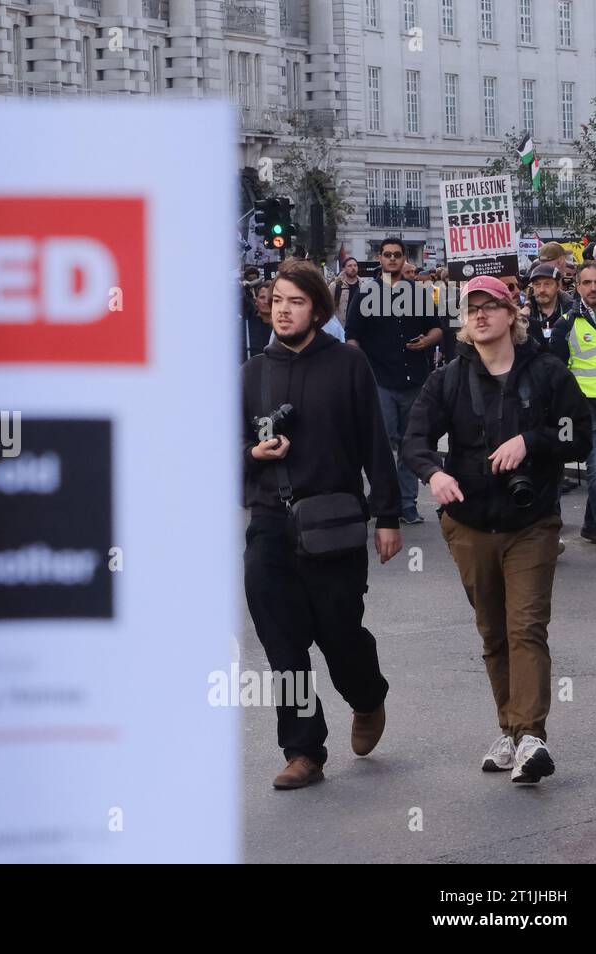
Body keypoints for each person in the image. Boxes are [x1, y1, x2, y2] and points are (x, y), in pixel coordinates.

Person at [402, 276, 590, 783]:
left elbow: (579, 436)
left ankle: (530, 736)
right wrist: (434, 474)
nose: (480, 315)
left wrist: (531, 441)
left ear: (512, 315)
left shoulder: (548, 372)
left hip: (532, 522)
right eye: (472, 309)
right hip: (468, 524)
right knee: (492, 631)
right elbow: (414, 440)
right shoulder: (447, 380)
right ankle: (509, 732)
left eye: (490, 306)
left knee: (525, 625)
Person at [241, 259, 401, 791]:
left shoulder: (348, 365)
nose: (283, 310)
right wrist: (252, 452)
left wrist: (387, 515)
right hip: (269, 525)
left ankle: (367, 695)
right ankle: (303, 750)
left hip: (333, 522)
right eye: (277, 300)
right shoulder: (252, 373)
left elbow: (375, 444)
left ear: (317, 309)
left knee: (339, 635)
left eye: (296, 301)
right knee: (283, 646)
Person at [346, 236, 443, 524]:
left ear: (404, 259)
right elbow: (352, 337)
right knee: (383, 446)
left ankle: (407, 504)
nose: (391, 259)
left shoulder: (420, 292)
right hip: (380, 381)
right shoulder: (366, 293)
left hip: (415, 380)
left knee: (411, 445)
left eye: (397, 255)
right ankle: (383, 500)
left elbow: (437, 329)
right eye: (387, 254)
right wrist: (361, 371)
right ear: (379, 258)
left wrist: (426, 341)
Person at [547, 261, 596, 551]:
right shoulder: (566, 323)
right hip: (588, 407)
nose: (592, 288)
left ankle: (589, 525)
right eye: (586, 283)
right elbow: (557, 372)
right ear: (577, 287)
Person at [329, 256, 361, 326]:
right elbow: (327, 306)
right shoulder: (335, 286)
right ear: (343, 269)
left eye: (355, 265)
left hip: (359, 329)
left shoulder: (364, 286)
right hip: (341, 328)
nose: (353, 268)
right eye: (349, 266)